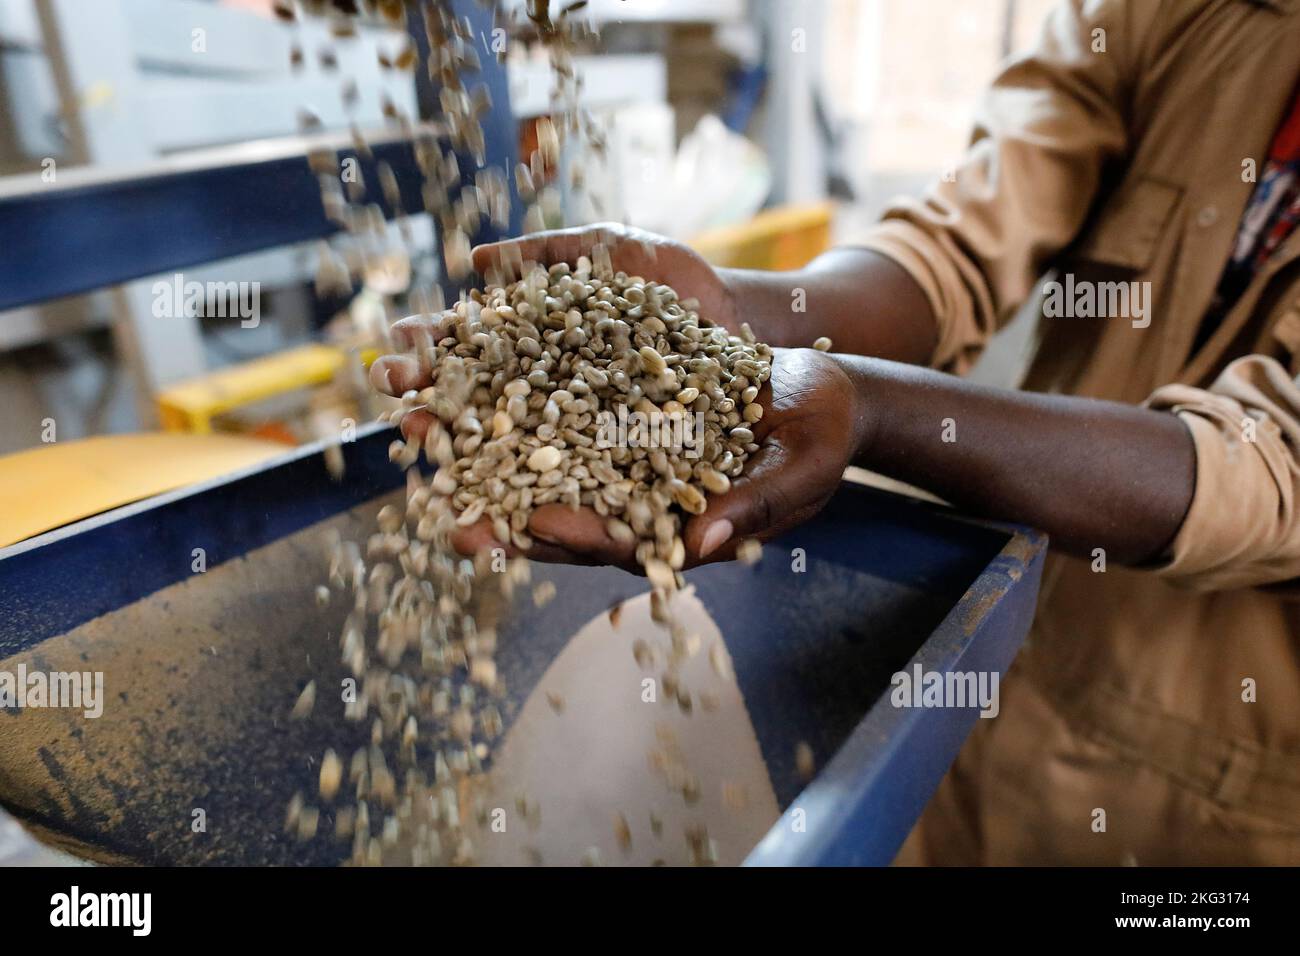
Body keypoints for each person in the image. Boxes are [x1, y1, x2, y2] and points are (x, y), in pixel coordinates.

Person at [372, 0, 1300, 864]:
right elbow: (948, 246)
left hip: (1213, 790)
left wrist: (870, 407)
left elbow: (1271, 466)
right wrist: (739, 311)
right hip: (994, 697)